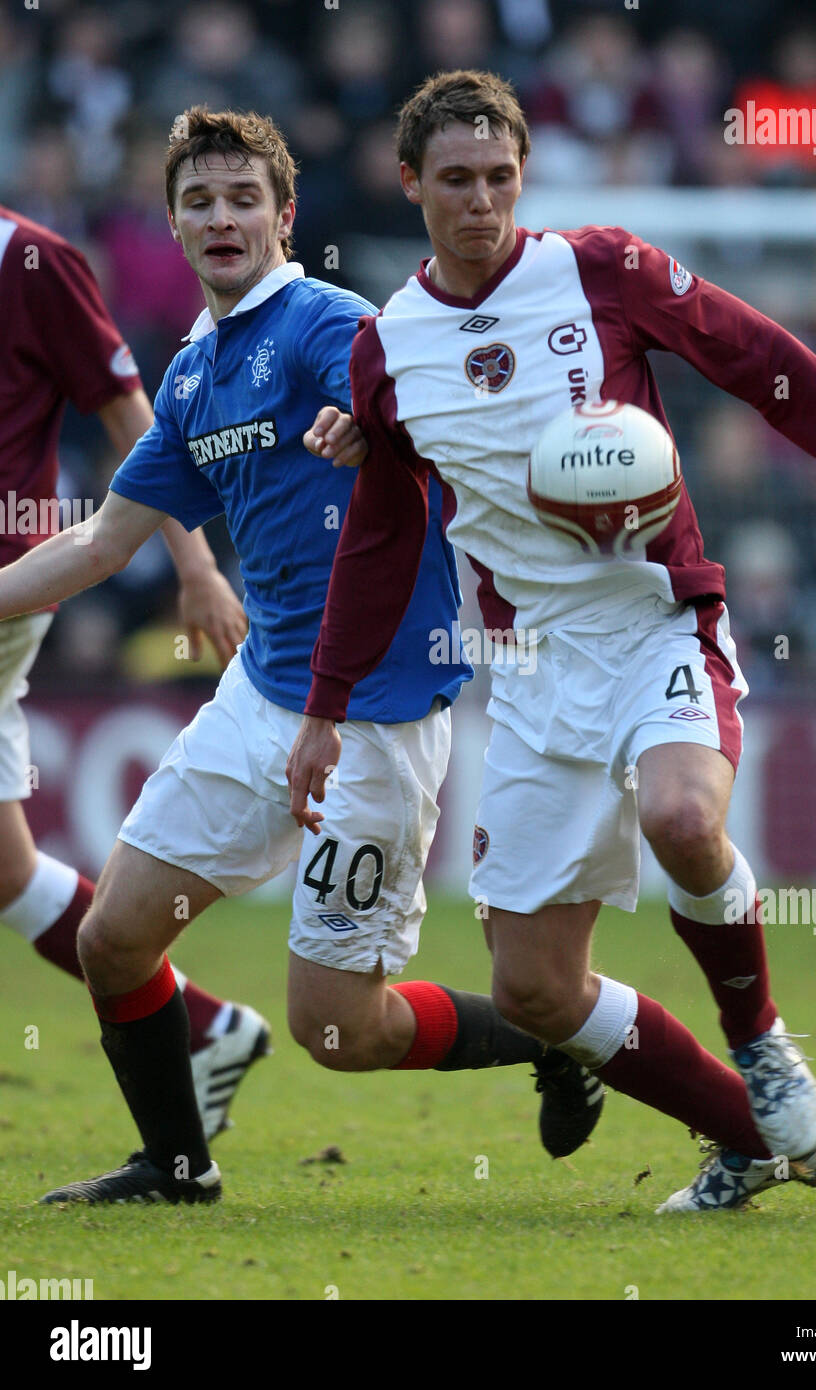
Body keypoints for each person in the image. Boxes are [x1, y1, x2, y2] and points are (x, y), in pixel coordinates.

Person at [290, 69, 816, 1211]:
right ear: (411, 184)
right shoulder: (387, 353)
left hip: (656, 625)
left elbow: (763, 360)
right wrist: (325, 707)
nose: (483, 203)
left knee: (684, 817)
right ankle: (746, 1138)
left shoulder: (604, 269)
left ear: (524, 175)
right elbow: (381, 540)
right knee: (540, 992)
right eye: (456, 182)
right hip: (532, 672)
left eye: (502, 177)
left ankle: (761, 1038)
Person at [0, 109, 603, 1206]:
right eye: (197, 201)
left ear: (285, 217)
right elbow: (98, 544)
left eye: (242, 200)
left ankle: (550, 1035)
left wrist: (376, 425)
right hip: (263, 695)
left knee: (340, 1028)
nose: (220, 218)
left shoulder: (332, 325)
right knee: (113, 938)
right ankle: (177, 1169)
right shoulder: (190, 375)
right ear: (173, 224)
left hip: (373, 720)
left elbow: (420, 391)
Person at [0, 203, 267, 1139]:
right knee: (8, 872)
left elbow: (133, 418)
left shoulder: (31, 262)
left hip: (7, 580)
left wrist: (195, 567)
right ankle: (205, 1028)